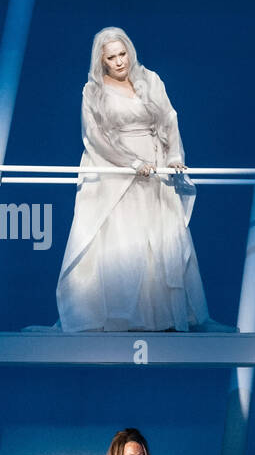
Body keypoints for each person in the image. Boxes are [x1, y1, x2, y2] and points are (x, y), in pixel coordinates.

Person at [55, 26, 218, 333]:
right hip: (118, 170)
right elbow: (95, 136)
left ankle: (170, 316)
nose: (119, 62)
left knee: (162, 236)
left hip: (156, 166)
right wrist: (130, 162)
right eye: (112, 57)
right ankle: (127, 317)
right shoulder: (93, 91)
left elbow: (170, 118)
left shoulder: (150, 79)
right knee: (124, 239)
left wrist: (174, 158)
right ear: (102, 61)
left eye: (122, 53)